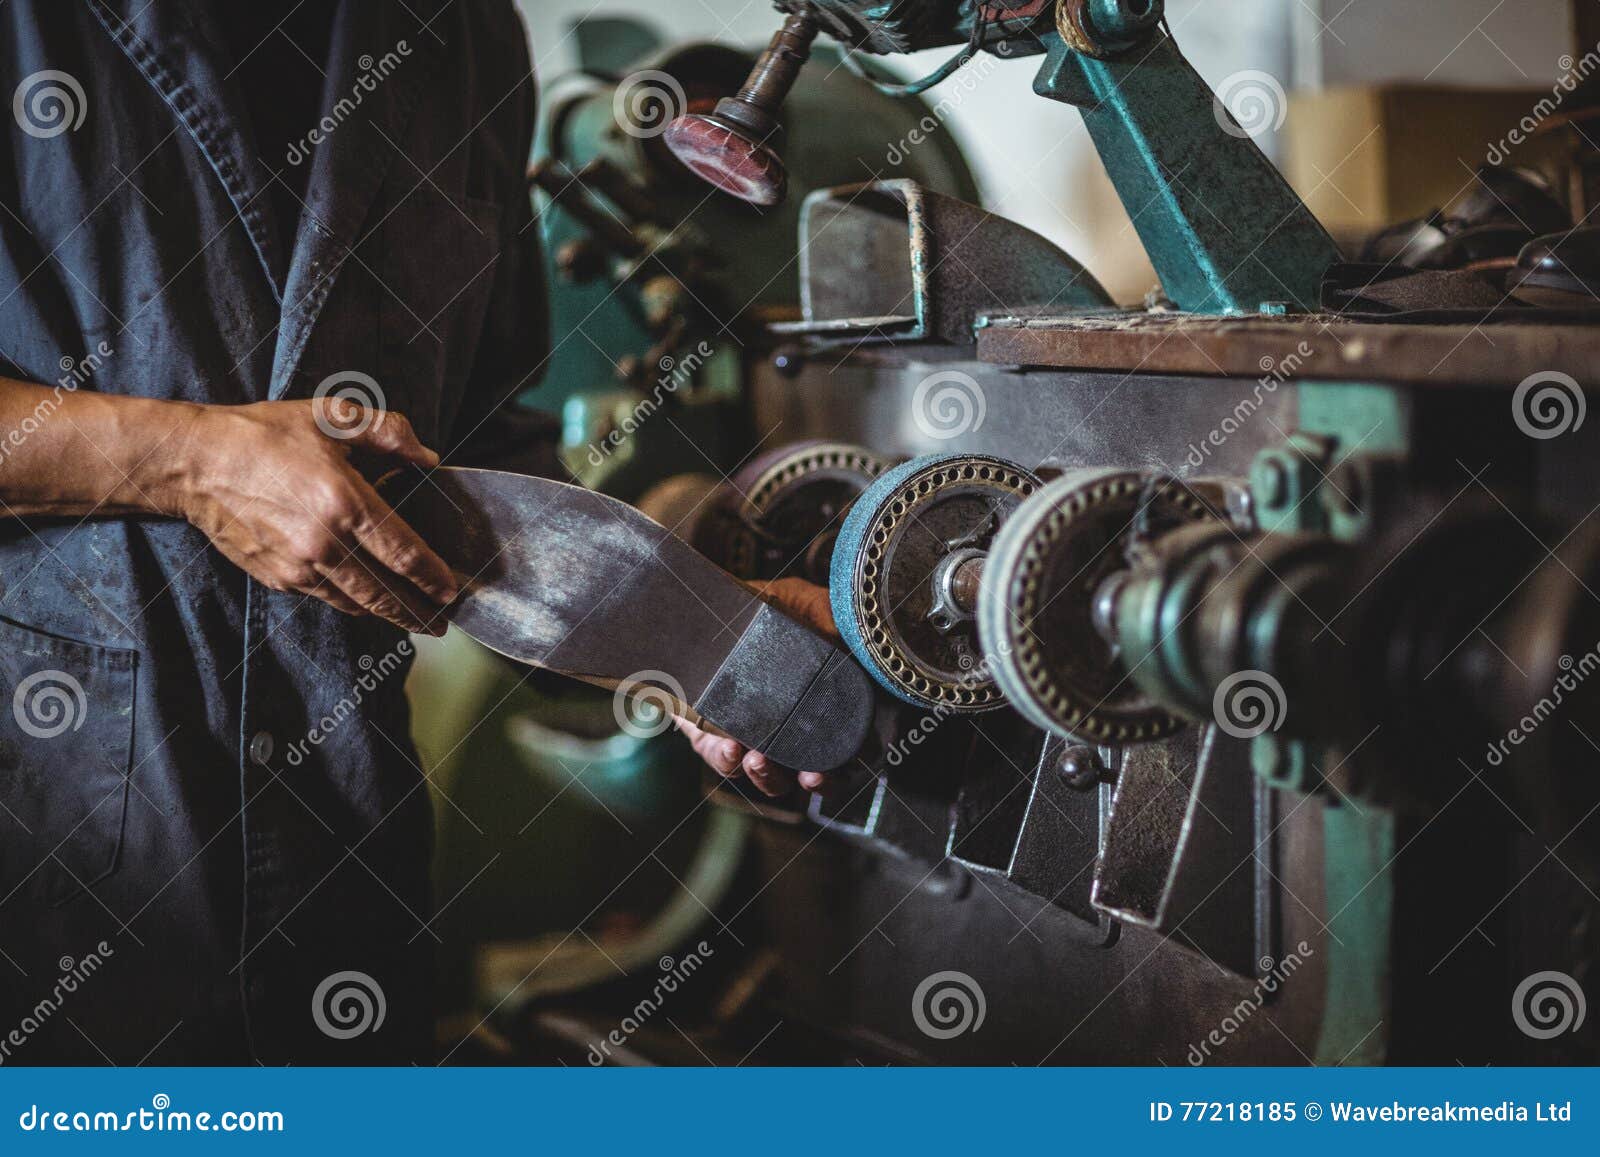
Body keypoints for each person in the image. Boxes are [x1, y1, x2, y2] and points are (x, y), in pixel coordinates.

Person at [0, 0, 826, 1064]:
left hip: (345, 836)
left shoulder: (463, 34)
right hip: (58, 831)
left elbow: (474, 460)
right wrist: (188, 461)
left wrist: (695, 629)